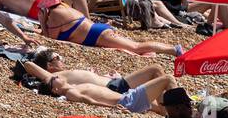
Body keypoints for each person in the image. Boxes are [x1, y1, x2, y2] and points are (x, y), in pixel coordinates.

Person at [17, 48, 177, 113]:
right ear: (49, 65)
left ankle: (170, 111)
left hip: (115, 89)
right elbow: (28, 64)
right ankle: (173, 114)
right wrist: (114, 108)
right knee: (157, 72)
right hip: (117, 92)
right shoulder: (55, 80)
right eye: (57, 57)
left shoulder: (65, 82)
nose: (61, 58)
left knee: (155, 103)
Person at [33, 0, 181, 56]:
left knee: (136, 47)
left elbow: (50, 39)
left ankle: (174, 50)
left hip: (97, 35)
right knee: (135, 46)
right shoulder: (63, 8)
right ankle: (172, 49)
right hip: (98, 31)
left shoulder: (54, 16)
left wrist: (42, 21)